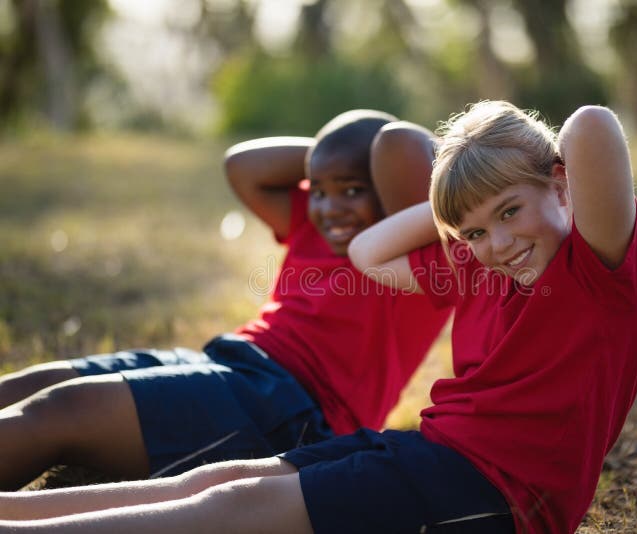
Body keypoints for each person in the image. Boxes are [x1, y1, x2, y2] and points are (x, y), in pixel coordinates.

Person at [0, 101, 637, 533]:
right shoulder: (478, 265)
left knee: (231, 510)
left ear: (560, 183)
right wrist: (457, 213)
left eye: (510, 212)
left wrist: (491, 174)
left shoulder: (600, 274)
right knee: (217, 480)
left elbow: (593, 127)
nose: (499, 242)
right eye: (474, 230)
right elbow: (374, 252)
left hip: (500, 495)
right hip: (435, 449)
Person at [0, 109, 450, 491]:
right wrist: (330, 156)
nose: (331, 208)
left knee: (61, 411)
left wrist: (355, 151)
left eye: (351, 189)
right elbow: (242, 165)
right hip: (228, 360)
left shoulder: (412, 256)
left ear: (387, 188)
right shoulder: (315, 224)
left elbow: (401, 145)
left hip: (291, 409)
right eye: (318, 190)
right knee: (41, 383)